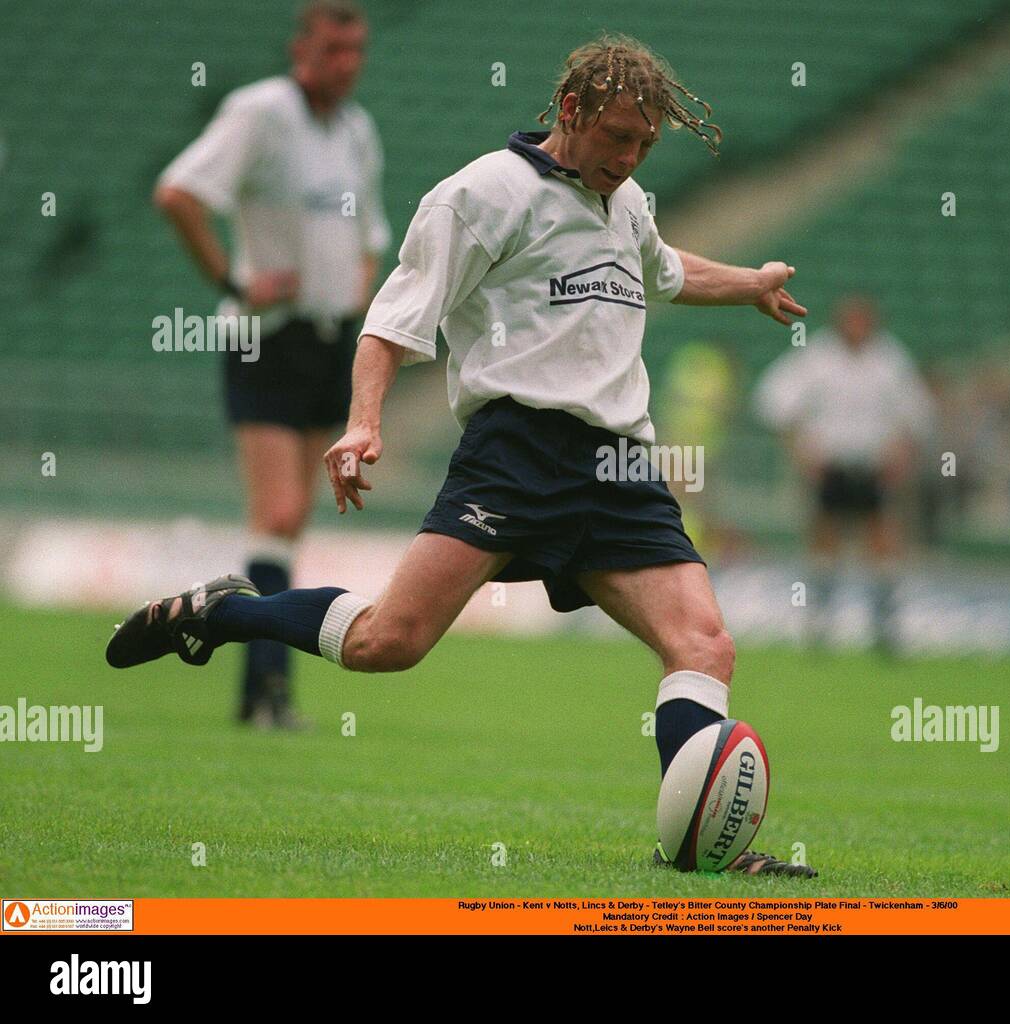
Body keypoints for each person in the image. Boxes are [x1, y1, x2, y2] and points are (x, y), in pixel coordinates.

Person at [111, 35, 814, 877]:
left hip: (622, 465)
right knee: (388, 642)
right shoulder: (480, 195)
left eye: (644, 145)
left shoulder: (625, 201)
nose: (629, 159)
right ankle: (224, 612)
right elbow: (391, 320)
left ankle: (700, 851)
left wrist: (749, 283)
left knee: (704, 646)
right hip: (516, 455)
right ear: (568, 113)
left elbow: (661, 271)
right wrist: (363, 423)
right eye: (617, 138)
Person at [153, 0, 389, 727]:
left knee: (291, 526)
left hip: (327, 338)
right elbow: (178, 193)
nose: (345, 63)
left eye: (356, 50)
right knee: (277, 511)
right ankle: (261, 683)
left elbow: (371, 233)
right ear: (303, 47)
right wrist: (233, 282)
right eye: (333, 48)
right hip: (265, 335)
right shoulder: (260, 111)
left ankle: (264, 691)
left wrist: (356, 302)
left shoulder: (355, 129)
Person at [755, 295, 936, 650]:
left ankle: (885, 625)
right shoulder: (818, 358)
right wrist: (801, 449)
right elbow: (773, 400)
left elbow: (917, 414)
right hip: (831, 465)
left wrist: (900, 453)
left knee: (881, 539)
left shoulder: (889, 359)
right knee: (825, 539)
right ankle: (819, 622)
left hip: (873, 467)